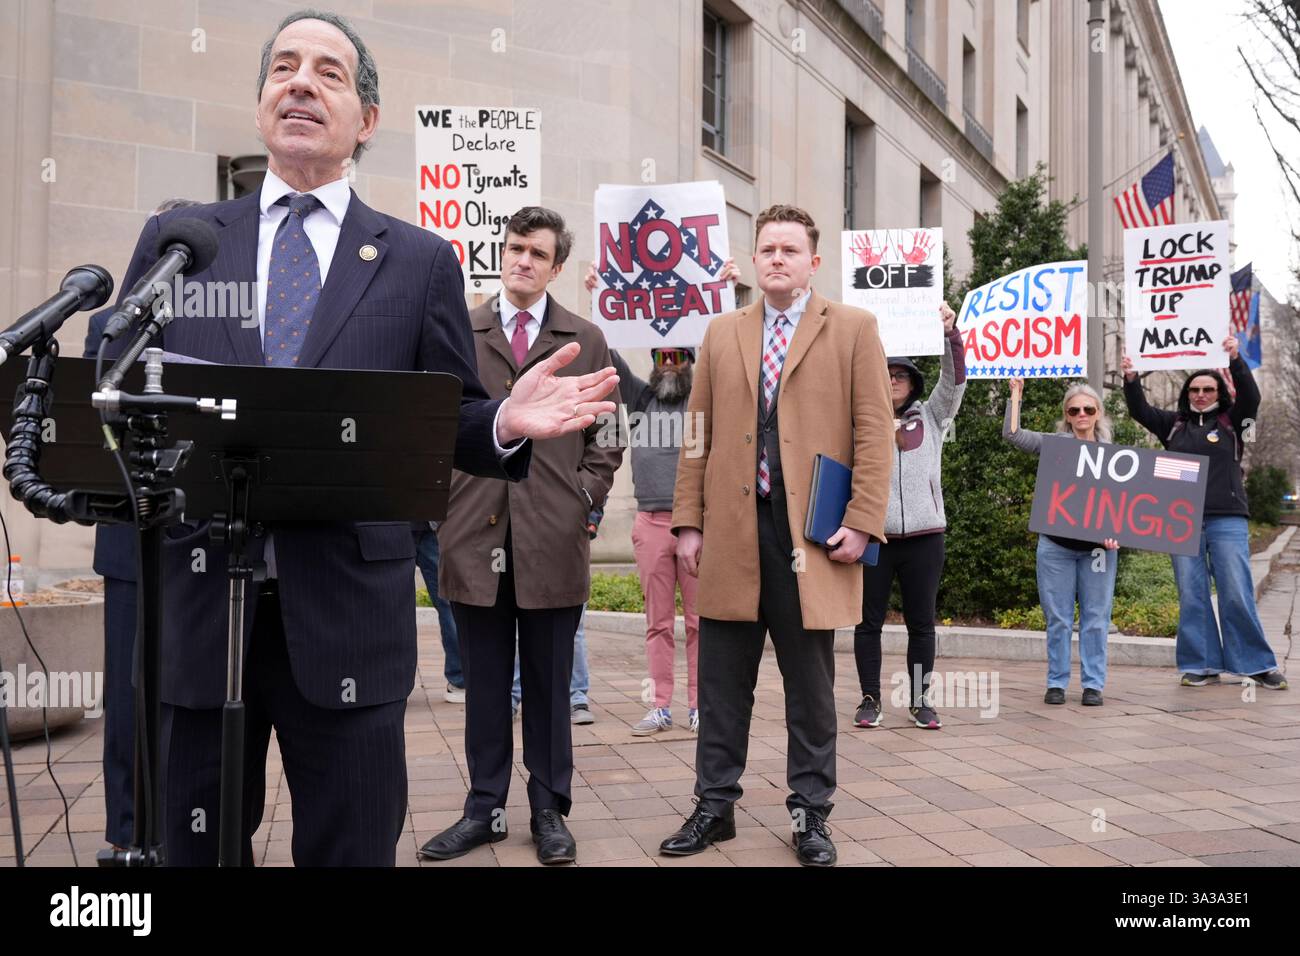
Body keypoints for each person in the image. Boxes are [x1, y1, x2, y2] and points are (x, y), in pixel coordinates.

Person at [94, 11, 617, 867]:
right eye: (284, 68)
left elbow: (446, 417)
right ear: (262, 100)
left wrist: (505, 422)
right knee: (190, 849)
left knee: (350, 848)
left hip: (346, 620)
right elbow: (111, 382)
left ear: (366, 120)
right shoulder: (186, 241)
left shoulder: (418, 262)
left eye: (329, 72)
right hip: (197, 615)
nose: (301, 82)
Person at [658, 204, 893, 867]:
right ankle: (714, 806)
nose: (778, 259)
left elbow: (874, 432)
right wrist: (688, 521)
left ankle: (810, 814)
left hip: (810, 539)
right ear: (755, 260)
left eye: (791, 249)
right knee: (722, 683)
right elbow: (697, 433)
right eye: (767, 250)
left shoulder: (852, 328)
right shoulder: (722, 333)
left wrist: (862, 519)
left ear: (814, 262)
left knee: (810, 689)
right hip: (734, 530)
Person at [422, 206, 624, 865]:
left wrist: (582, 502)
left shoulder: (585, 338)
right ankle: (482, 808)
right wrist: (440, 509)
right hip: (473, 538)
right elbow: (434, 424)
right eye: (514, 248)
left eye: (538, 253)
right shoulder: (460, 328)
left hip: (550, 539)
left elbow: (607, 438)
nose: (523, 261)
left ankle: (548, 810)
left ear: (556, 266)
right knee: (482, 685)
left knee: (548, 684)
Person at [84, 197, 201, 851]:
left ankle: (181, 833)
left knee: (184, 706)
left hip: (196, 542)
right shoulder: (111, 327)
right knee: (128, 705)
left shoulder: (222, 326)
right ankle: (128, 837)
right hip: (131, 544)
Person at [584, 258, 741, 737]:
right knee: (657, 623)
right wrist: (598, 296)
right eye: (661, 356)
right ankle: (659, 705)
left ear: (691, 360)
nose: (669, 362)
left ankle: (698, 705)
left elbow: (733, 353)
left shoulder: (704, 399)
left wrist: (725, 293)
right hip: (650, 524)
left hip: (697, 526)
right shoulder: (639, 398)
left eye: (679, 355)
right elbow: (604, 352)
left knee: (698, 622)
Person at [1122, 339, 1287, 690]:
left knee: (1235, 591)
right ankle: (1201, 664)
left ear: (1219, 392)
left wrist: (1235, 359)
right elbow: (1140, 410)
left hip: (1227, 518)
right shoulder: (1173, 425)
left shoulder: (1234, 421)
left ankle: (1257, 665)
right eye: (1194, 389)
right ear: (1187, 394)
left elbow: (1251, 397)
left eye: (1207, 389)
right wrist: (1132, 379)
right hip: (1180, 521)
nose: (1200, 394)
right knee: (1192, 593)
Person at [853, 301, 965, 731]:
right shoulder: (861, 420)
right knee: (868, 623)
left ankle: (920, 701)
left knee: (922, 622)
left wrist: (950, 334)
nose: (893, 380)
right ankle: (869, 699)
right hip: (874, 536)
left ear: (913, 383)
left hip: (924, 537)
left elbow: (954, 380)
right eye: (885, 373)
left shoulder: (933, 416)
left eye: (900, 375)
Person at [1003, 379, 1119, 706]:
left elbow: (1124, 505)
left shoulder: (1115, 456)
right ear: (1067, 415)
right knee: (1058, 619)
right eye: (1074, 410)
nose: (1081, 414)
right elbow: (1013, 435)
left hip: (1098, 549)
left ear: (1098, 413)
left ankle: (1093, 685)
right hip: (1056, 546)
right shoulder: (1054, 444)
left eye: (1088, 409)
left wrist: (1119, 531)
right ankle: (1056, 682)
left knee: (1097, 619)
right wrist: (1016, 394)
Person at [416, 522, 463, 703]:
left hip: (432, 527)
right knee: (387, 607)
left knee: (449, 601)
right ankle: (390, 680)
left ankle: (460, 679)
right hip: (392, 526)